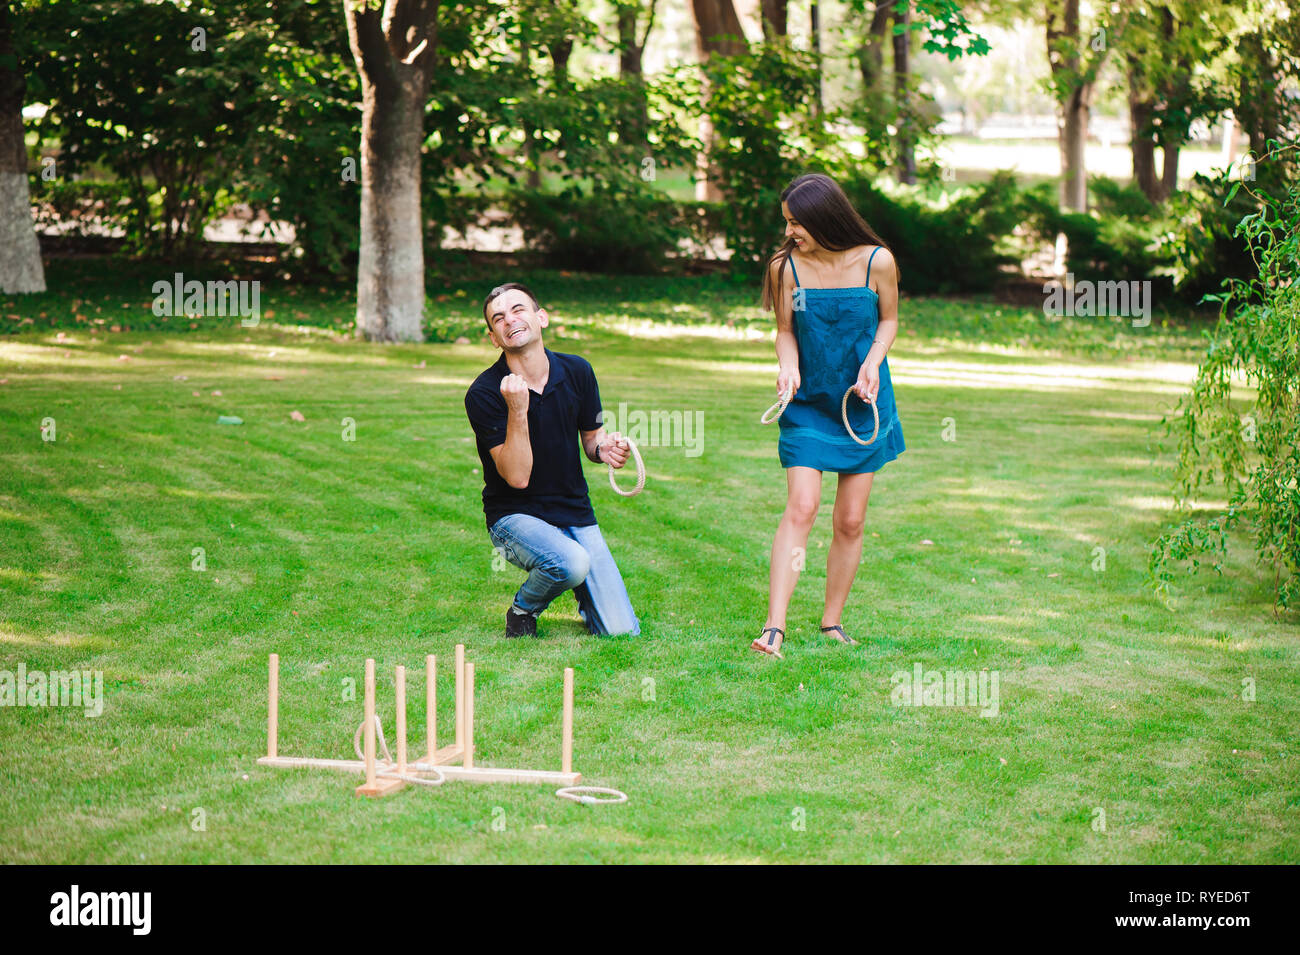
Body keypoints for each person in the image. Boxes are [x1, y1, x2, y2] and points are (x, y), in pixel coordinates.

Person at [752, 173, 906, 658]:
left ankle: (831, 622)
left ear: (826, 218)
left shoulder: (876, 261)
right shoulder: (786, 268)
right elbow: (785, 329)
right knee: (802, 506)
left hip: (861, 400)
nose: (789, 232)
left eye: (797, 223)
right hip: (808, 402)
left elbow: (889, 319)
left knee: (852, 520)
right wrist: (788, 366)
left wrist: (872, 363)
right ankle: (774, 628)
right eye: (787, 223)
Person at [464, 282, 641, 638]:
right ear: (493, 338)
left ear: (540, 317)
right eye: (498, 318)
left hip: (574, 510)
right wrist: (517, 409)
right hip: (514, 518)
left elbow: (592, 439)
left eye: (518, 310)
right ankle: (523, 609)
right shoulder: (484, 392)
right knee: (571, 562)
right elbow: (516, 478)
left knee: (621, 632)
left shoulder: (578, 371)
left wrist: (603, 450)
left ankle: (581, 586)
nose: (510, 320)